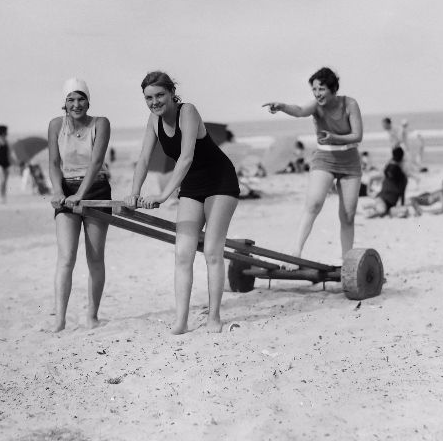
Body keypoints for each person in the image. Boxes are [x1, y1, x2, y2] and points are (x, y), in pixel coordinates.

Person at [129, 71, 240, 335]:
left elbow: (186, 156)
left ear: (171, 93)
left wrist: (163, 195)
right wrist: (134, 192)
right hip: (192, 184)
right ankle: (181, 320)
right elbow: (144, 159)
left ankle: (214, 317)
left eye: (160, 95)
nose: (154, 102)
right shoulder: (153, 121)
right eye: (148, 98)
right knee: (182, 253)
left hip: (220, 181)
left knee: (212, 251)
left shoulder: (187, 111)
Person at [263, 67, 363, 264]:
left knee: (348, 215)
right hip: (324, 158)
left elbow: (357, 135)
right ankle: (295, 252)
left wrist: (335, 137)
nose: (317, 94)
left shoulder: (350, 104)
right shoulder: (316, 106)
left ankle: (347, 261)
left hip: (350, 161)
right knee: (314, 204)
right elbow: (300, 111)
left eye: (322, 89)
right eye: (314, 89)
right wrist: (282, 106)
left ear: (333, 88)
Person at [48, 77, 112, 332]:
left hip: (96, 187)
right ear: (64, 103)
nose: (76, 104)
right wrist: (57, 190)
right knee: (66, 257)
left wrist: (81, 194)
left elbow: (96, 162)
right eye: (71, 99)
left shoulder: (101, 123)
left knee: (95, 257)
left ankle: (92, 316)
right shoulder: (56, 125)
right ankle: (60, 320)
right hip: (66, 189)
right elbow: (54, 163)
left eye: (81, 99)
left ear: (88, 101)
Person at [365, 146, 408, 218]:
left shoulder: (401, 177)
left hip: (391, 205)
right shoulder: (388, 173)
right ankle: (372, 210)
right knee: (382, 210)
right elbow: (371, 178)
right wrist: (368, 192)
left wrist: (401, 206)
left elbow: (402, 194)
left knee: (404, 211)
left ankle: (372, 206)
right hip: (382, 200)